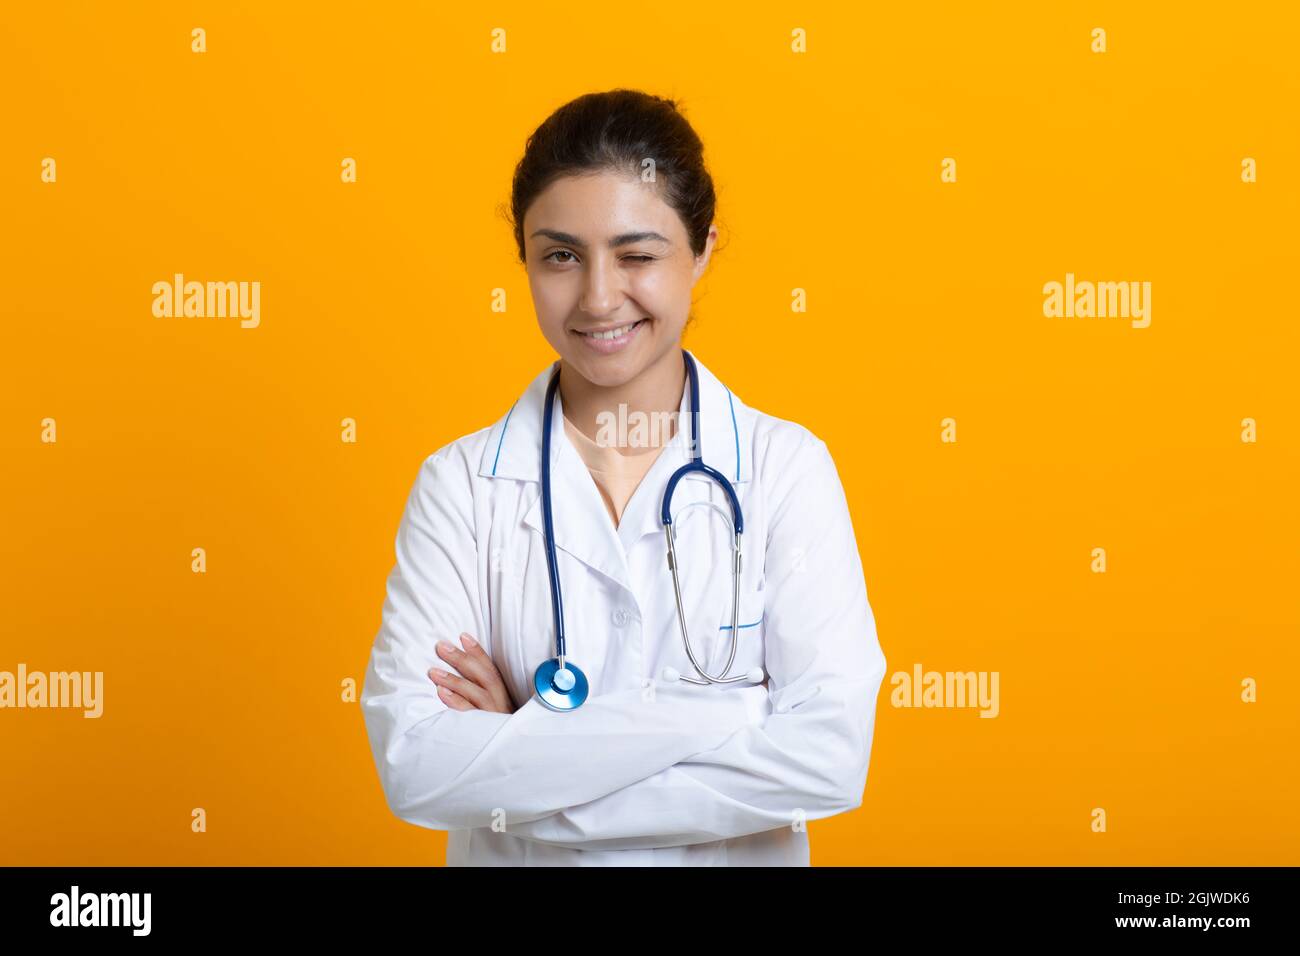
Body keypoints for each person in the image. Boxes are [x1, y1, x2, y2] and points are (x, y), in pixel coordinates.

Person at [360, 89, 887, 866]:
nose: (600, 297)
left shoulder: (785, 471)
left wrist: (524, 744)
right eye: (561, 255)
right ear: (526, 260)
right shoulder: (461, 487)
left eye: (637, 255)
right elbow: (415, 767)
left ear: (702, 249)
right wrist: (727, 716)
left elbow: (830, 758)